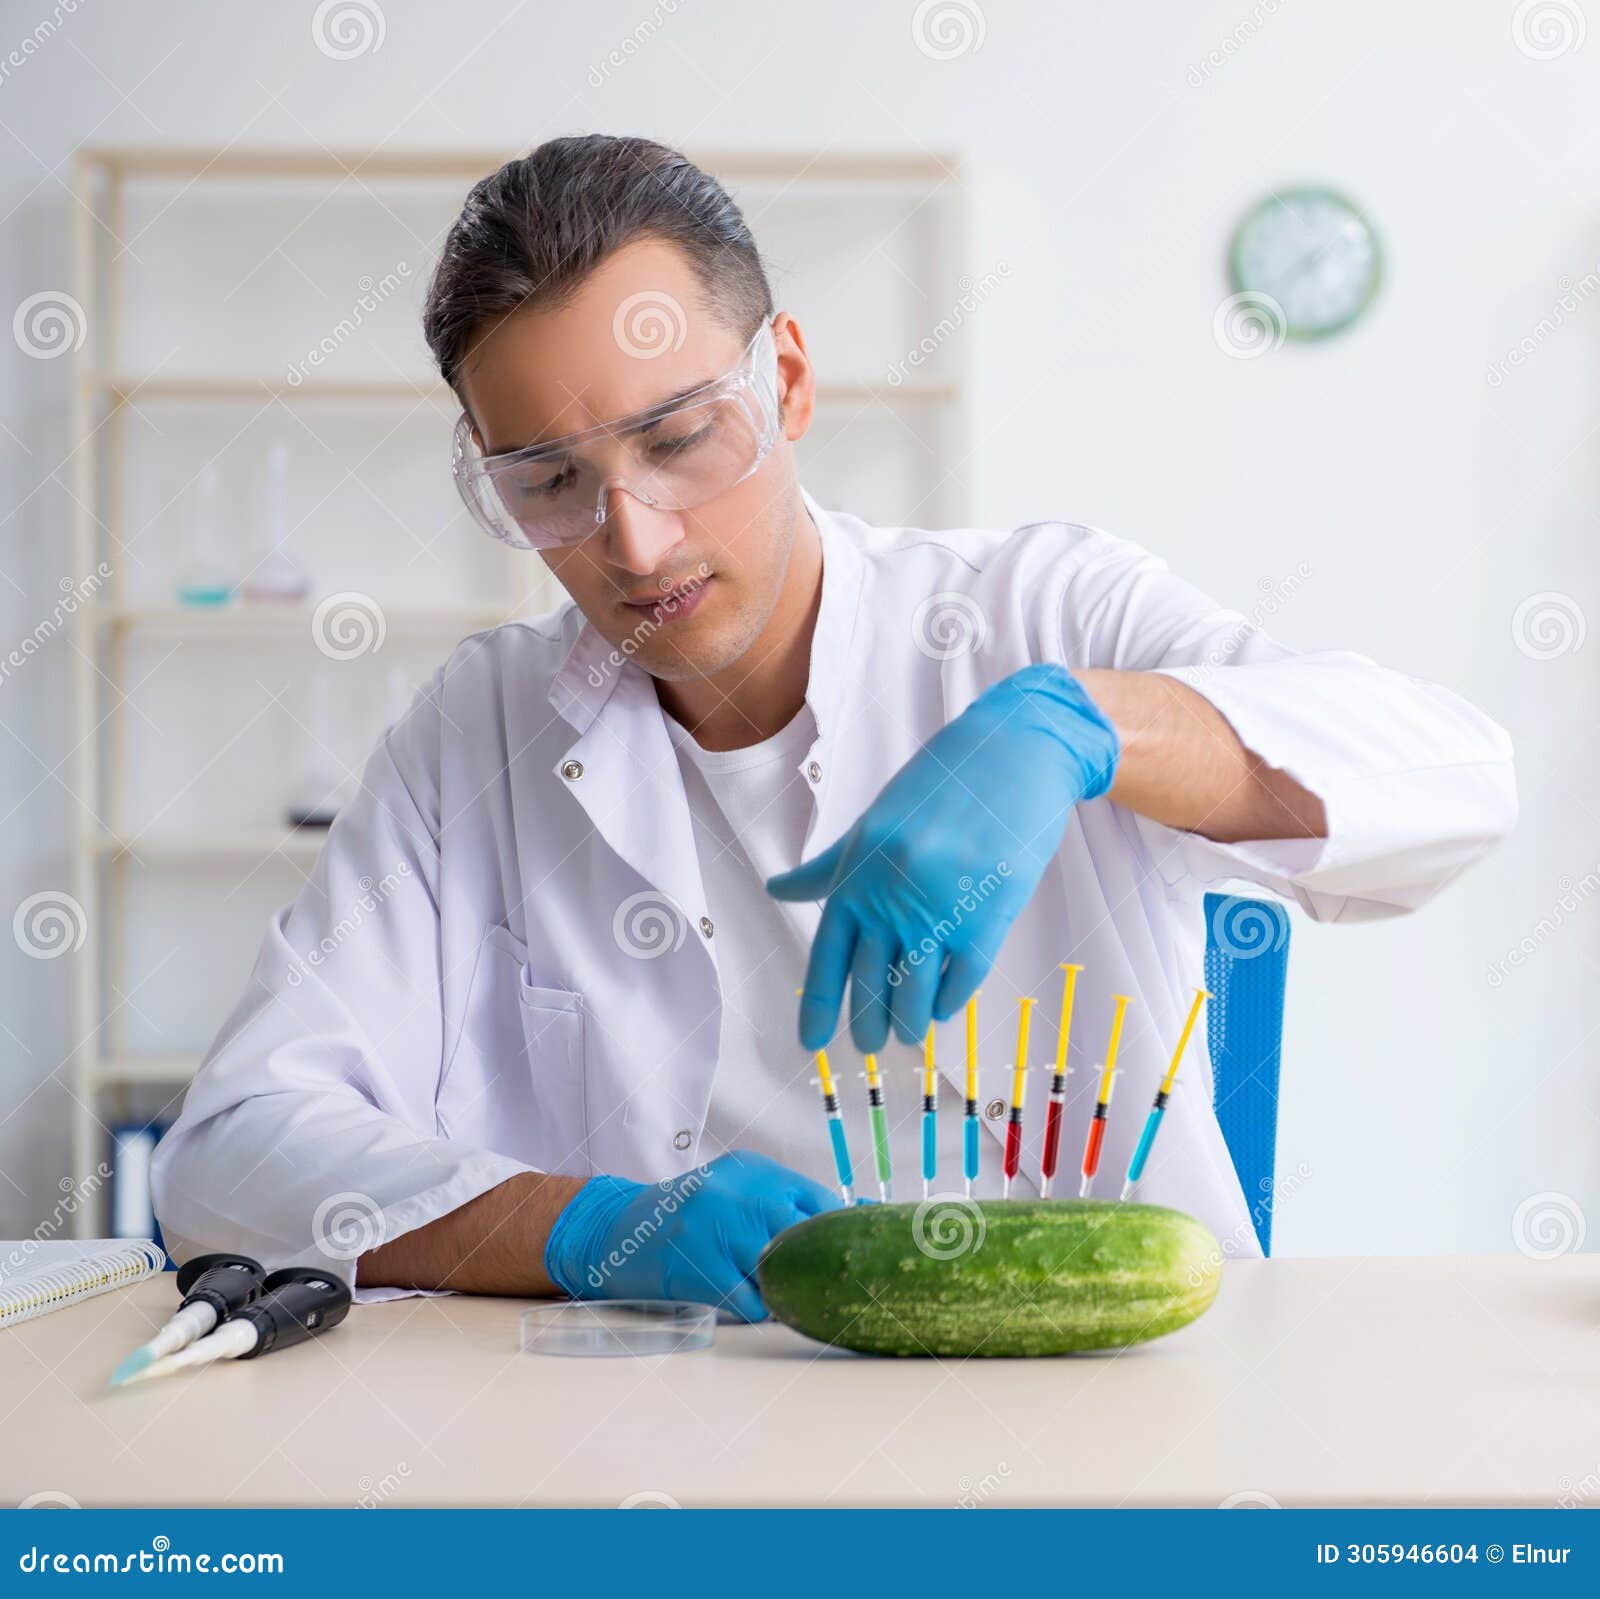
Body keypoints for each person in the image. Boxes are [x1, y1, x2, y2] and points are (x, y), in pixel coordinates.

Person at [151, 135, 1516, 1320]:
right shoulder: (483, 730)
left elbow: (1457, 780)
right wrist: (593, 1228)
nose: (634, 538)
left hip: (1098, 1433)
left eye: (679, 437)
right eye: (553, 480)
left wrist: (1083, 726)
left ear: (786, 382)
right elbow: (229, 1160)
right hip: (653, 1449)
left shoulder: (1034, 613)